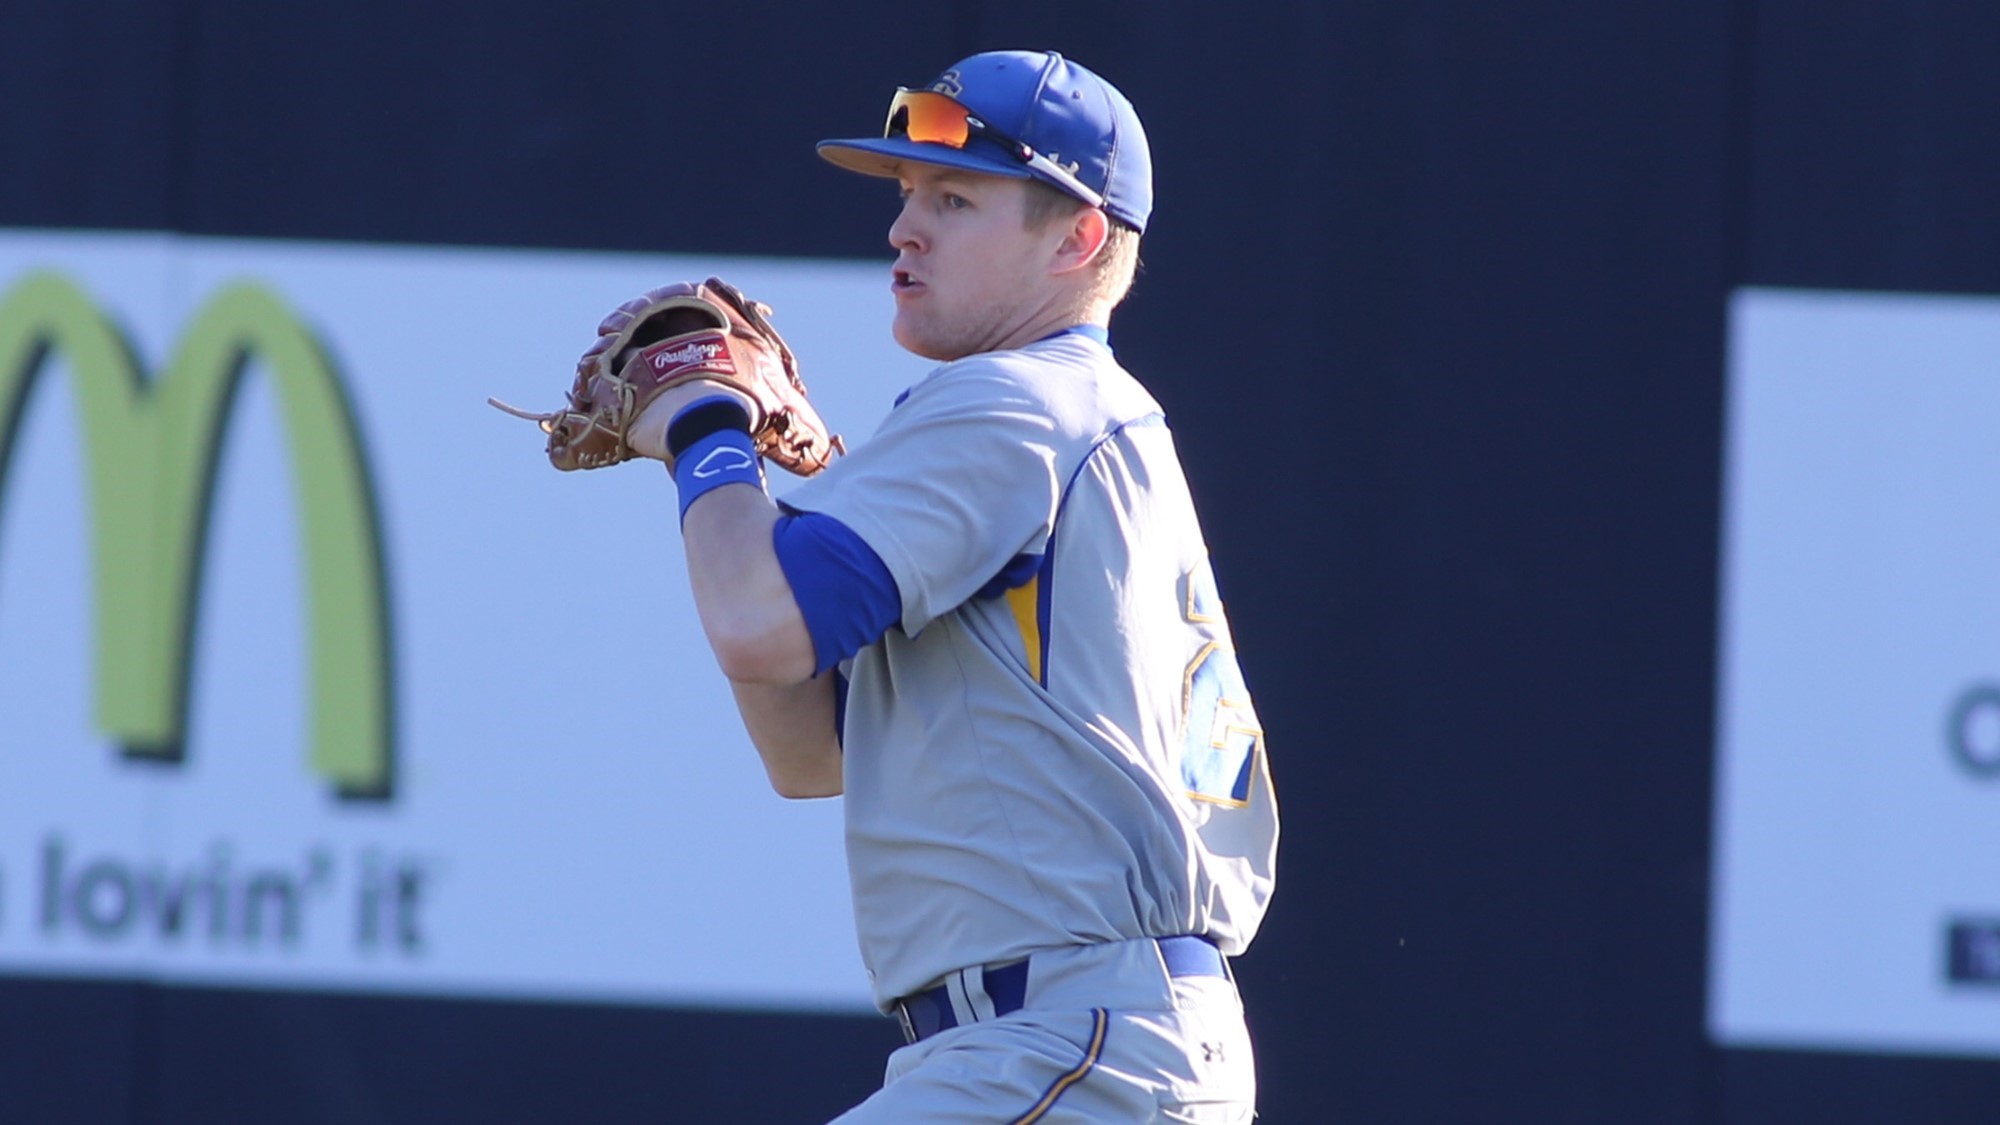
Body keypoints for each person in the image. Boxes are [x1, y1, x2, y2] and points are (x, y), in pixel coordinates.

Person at [626, 49, 1278, 1123]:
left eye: (956, 198)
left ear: (1075, 238)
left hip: (1068, 1045)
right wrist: (782, 521)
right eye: (907, 194)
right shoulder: (1073, 419)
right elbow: (809, 752)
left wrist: (705, 436)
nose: (903, 228)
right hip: (1078, 1042)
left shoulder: (1016, 401)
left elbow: (756, 624)